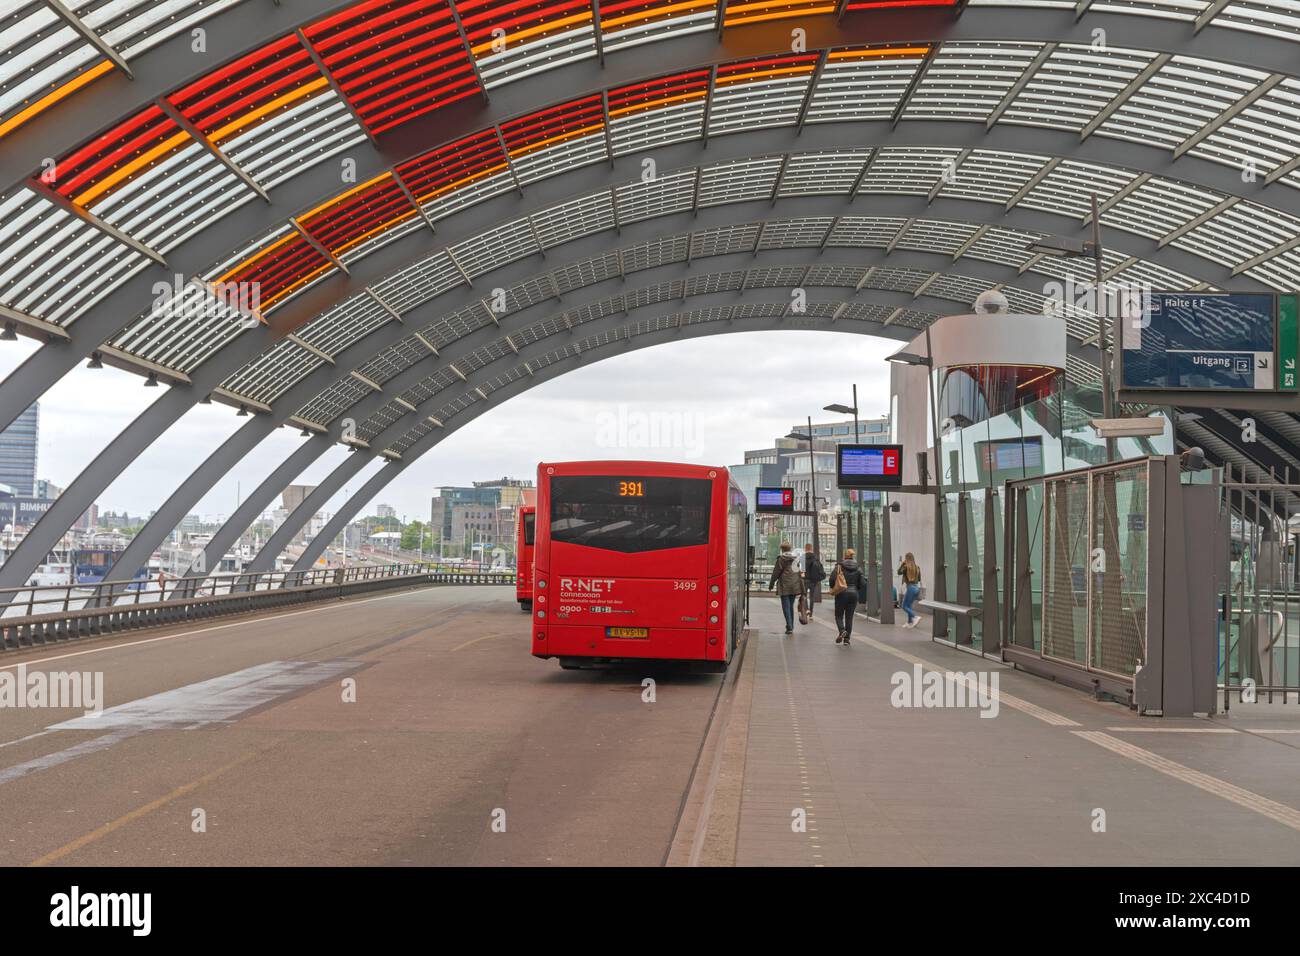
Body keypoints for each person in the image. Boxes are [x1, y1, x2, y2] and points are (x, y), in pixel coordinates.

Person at [829, 549, 864, 646]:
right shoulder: (858, 568)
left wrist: (833, 587)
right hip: (853, 594)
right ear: (852, 556)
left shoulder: (839, 567)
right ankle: (847, 639)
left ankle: (842, 631)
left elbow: (832, 579)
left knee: (839, 615)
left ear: (845, 556)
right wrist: (856, 589)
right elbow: (862, 583)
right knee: (849, 617)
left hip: (841, 593)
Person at [768, 542, 804, 635]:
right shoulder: (796, 558)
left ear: (782, 549)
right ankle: (791, 625)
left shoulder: (781, 559)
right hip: (794, 585)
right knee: (790, 606)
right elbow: (797, 572)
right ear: (790, 548)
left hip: (784, 585)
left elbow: (776, 572)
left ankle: (789, 626)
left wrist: (771, 583)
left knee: (786, 607)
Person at [799, 542, 825, 621]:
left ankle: (806, 609)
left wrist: (802, 576)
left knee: (804, 596)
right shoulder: (815, 557)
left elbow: (802, 570)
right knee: (812, 597)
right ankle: (811, 614)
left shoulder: (803, 557)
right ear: (811, 549)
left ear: (805, 549)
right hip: (814, 580)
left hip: (805, 580)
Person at [897, 552, 922, 628]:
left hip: (910, 588)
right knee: (909, 605)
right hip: (916, 588)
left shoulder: (906, 567)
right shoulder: (917, 567)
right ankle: (910, 622)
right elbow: (919, 579)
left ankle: (915, 617)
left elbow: (898, 572)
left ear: (907, 558)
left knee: (904, 606)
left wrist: (902, 564)